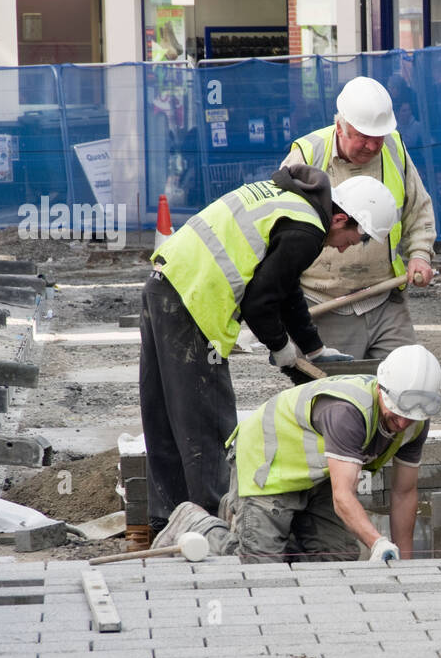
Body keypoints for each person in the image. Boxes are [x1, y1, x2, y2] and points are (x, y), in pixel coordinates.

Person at [139, 165, 397, 536]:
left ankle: (166, 520)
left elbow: (284, 286)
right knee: (210, 424)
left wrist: (313, 348)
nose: (345, 248)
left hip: (163, 287)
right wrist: (280, 349)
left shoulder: (292, 203)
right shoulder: (307, 229)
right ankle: (217, 531)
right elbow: (260, 303)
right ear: (339, 218)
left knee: (164, 416)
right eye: (353, 238)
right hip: (193, 302)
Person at [152, 345, 441, 564]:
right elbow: (344, 497)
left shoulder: (414, 421)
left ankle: (271, 539)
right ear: (383, 390)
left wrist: (406, 566)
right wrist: (379, 543)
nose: (404, 422)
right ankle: (197, 523)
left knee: (336, 558)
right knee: (259, 566)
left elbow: (404, 494)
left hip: (316, 475)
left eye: (412, 417)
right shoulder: (347, 412)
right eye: (397, 414)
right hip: (269, 465)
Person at [279, 76, 437, 360]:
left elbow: (418, 208)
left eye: (379, 137)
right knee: (334, 397)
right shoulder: (308, 155)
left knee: (408, 386)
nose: (373, 146)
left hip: (385, 301)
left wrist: (420, 255)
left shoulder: (394, 149)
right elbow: (277, 233)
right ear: (340, 127)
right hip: (322, 304)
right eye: (363, 137)